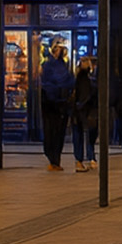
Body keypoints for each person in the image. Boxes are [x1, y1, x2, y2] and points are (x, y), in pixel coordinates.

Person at [38, 42, 74, 171]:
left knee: (56, 133)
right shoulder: (51, 66)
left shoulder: (59, 66)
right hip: (53, 104)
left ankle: (55, 160)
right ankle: (54, 159)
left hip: (56, 104)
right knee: (53, 132)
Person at [71, 57, 98, 172]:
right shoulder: (86, 80)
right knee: (87, 135)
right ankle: (89, 158)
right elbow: (88, 95)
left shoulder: (77, 79)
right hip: (85, 111)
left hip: (78, 111)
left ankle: (80, 160)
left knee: (79, 136)